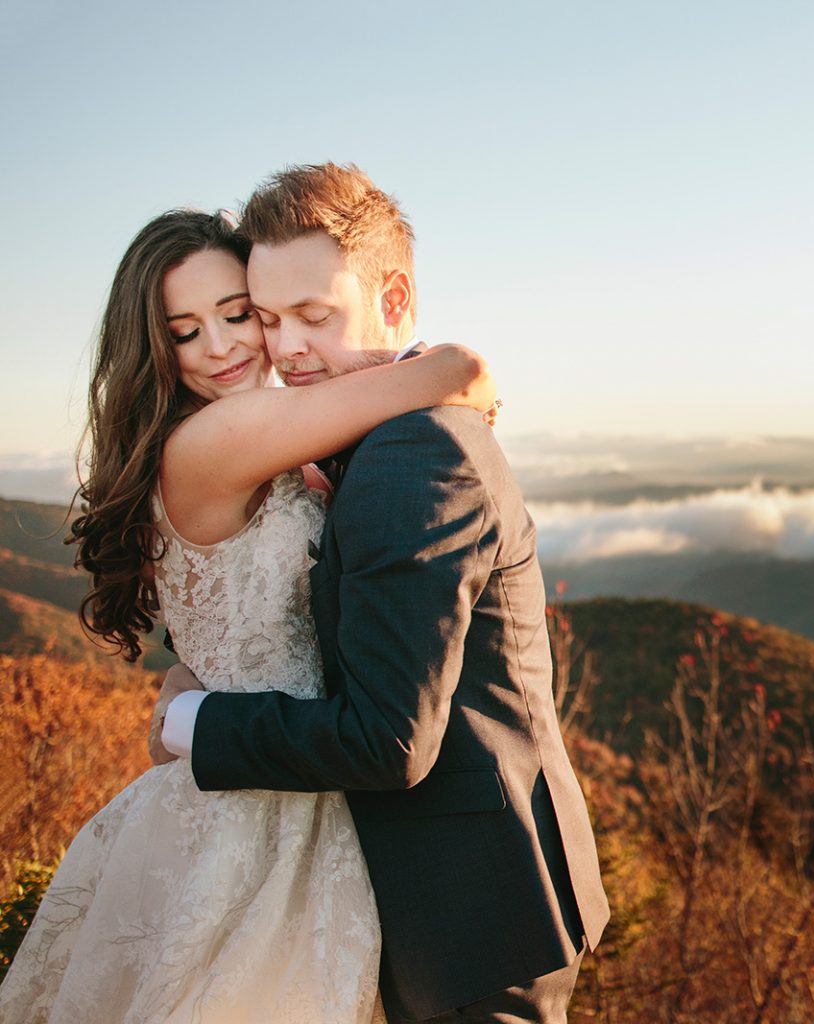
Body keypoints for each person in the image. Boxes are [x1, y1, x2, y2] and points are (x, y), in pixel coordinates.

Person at [0, 209, 500, 1023]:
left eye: (240, 315)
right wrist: (463, 378)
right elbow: (455, 368)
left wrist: (187, 689)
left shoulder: (246, 441)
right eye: (185, 331)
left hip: (274, 773)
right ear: (154, 347)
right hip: (266, 811)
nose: (223, 346)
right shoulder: (223, 434)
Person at [150, 164, 610, 1024]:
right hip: (452, 891)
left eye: (315, 317)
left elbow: (389, 742)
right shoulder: (364, 435)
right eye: (269, 317)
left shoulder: (410, 451)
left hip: (467, 910)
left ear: (393, 298)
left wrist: (192, 721)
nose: (284, 349)